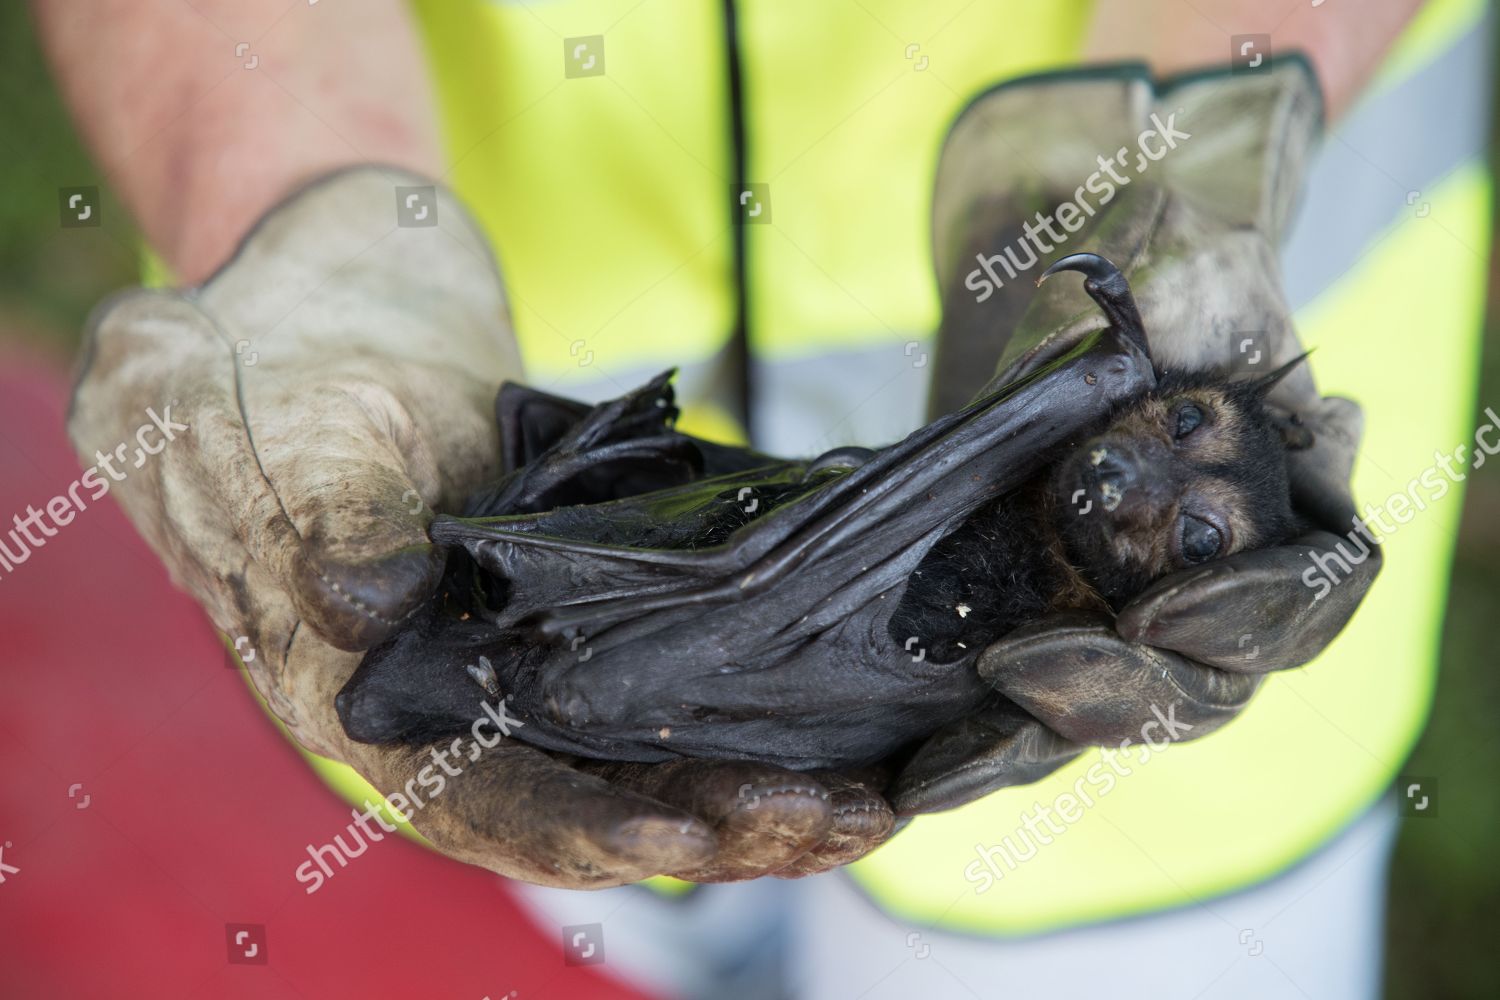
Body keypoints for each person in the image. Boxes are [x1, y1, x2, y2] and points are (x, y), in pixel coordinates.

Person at [36, 0, 1489, 996]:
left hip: (1153, 796)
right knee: (602, 871)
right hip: (530, 508)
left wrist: (1161, 155)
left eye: (1188, 535)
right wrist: (304, 244)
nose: (1144, 482)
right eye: (1178, 430)